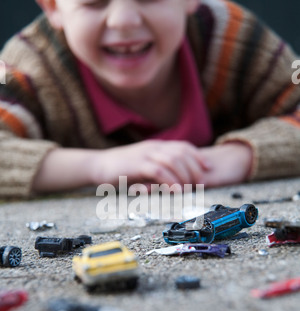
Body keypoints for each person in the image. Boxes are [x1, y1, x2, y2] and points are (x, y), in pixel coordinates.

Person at [0, 0, 300, 198]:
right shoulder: (26, 64)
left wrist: (237, 157)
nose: (124, 21)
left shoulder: (230, 35)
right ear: (53, 7)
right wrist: (101, 166)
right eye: (94, 1)